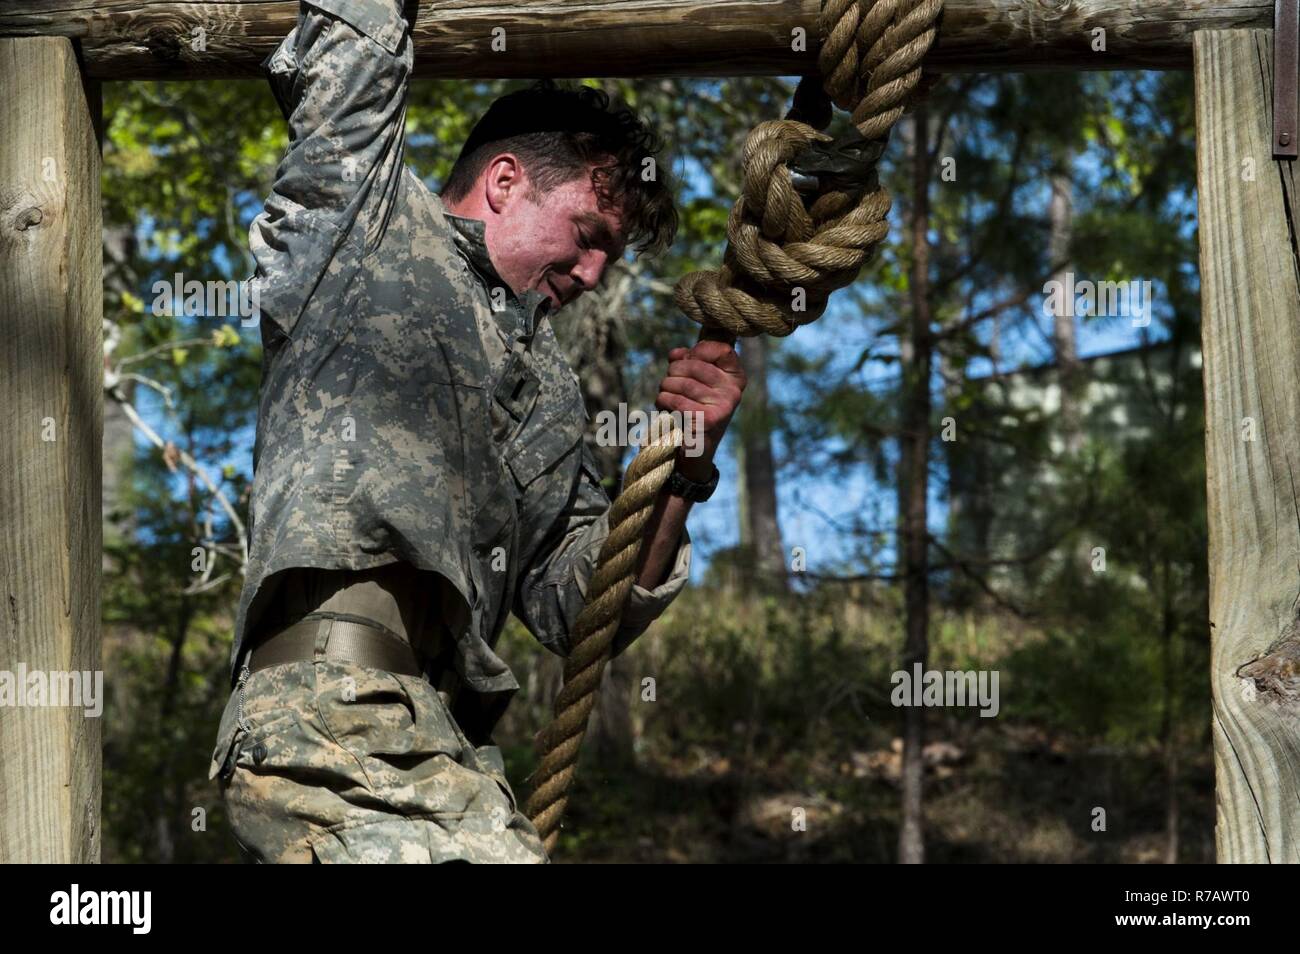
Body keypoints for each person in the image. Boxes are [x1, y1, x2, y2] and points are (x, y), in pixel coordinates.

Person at [208, 0, 746, 863]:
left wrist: (687, 465)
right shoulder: (366, 224)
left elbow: (582, 606)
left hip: (445, 750)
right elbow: (356, 36)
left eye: (613, 256)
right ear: (504, 183)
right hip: (324, 715)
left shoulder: (553, 394)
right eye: (588, 235)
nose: (598, 272)